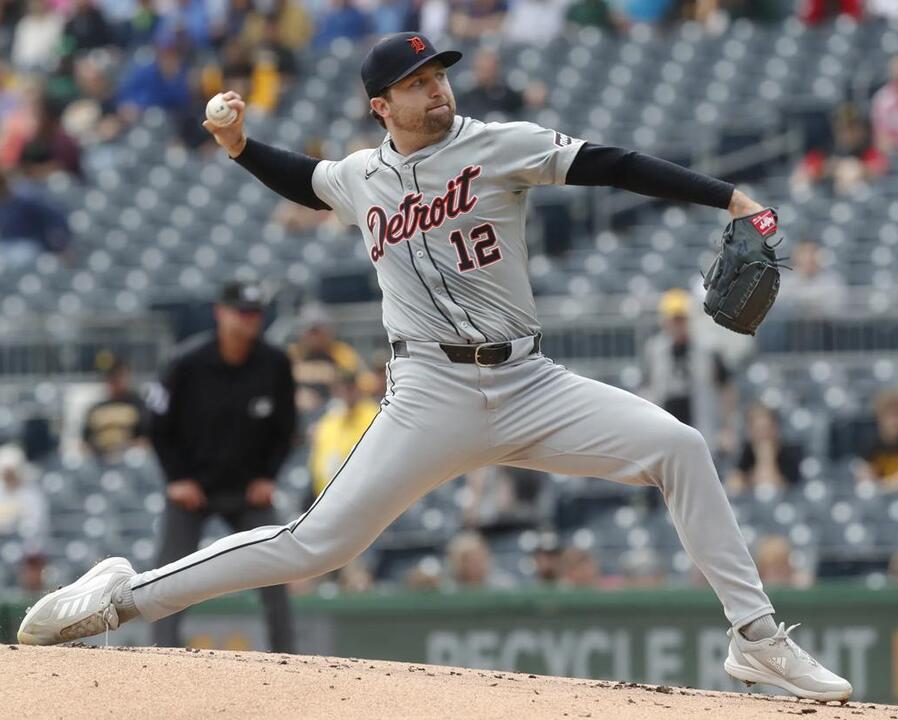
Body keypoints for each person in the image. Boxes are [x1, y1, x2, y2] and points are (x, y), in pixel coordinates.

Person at [20, 32, 851, 703]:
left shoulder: (501, 145)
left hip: (530, 382)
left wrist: (731, 198)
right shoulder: (362, 175)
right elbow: (308, 183)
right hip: (430, 393)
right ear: (382, 105)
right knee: (314, 545)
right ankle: (122, 598)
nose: (437, 88)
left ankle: (758, 644)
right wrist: (239, 146)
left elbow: (614, 164)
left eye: (439, 74)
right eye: (417, 82)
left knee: (680, 447)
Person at [139, 280, 297, 652]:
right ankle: (159, 656)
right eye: (242, 312)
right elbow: (156, 425)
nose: (249, 321)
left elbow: (286, 428)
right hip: (192, 490)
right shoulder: (185, 363)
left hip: (247, 492)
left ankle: (289, 658)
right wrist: (176, 478)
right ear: (220, 312)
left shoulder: (275, 364)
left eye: (255, 313)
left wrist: (267, 476)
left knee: (278, 568)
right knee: (169, 578)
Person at [642, 288, 737, 454]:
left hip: (702, 426)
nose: (678, 324)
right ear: (664, 321)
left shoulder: (708, 348)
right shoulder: (654, 350)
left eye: (682, 319)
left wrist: (727, 428)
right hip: (666, 430)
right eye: (674, 319)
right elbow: (647, 389)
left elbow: (726, 388)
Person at [308, 370, 379, 497]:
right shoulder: (330, 418)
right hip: (324, 495)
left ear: (358, 388)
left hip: (361, 495)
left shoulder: (375, 416)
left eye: (349, 388)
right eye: (340, 388)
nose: (345, 393)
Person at [287, 302, 362, 415]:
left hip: (333, 411)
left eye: (318, 332)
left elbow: (363, 383)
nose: (314, 337)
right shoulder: (293, 353)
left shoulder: (341, 352)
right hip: (300, 411)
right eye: (310, 332)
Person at [855, 389, 898, 493]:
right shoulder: (869, 442)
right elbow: (864, 473)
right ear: (880, 417)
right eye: (893, 416)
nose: (896, 422)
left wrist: (885, 487)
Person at [81, 354, 149, 461]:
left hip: (129, 459)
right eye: (111, 376)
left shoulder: (138, 404)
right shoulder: (96, 408)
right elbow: (84, 442)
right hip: (99, 460)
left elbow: (145, 439)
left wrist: (124, 449)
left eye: (119, 375)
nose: (115, 380)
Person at [726, 403, 803, 496]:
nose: (762, 435)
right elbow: (733, 486)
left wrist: (766, 460)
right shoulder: (746, 452)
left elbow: (772, 488)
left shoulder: (790, 453)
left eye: (765, 429)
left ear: (775, 429)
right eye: (757, 430)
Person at [444, 530, 513, 589]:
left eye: (479, 559)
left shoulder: (501, 585)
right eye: (468, 560)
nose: (475, 565)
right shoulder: (449, 588)